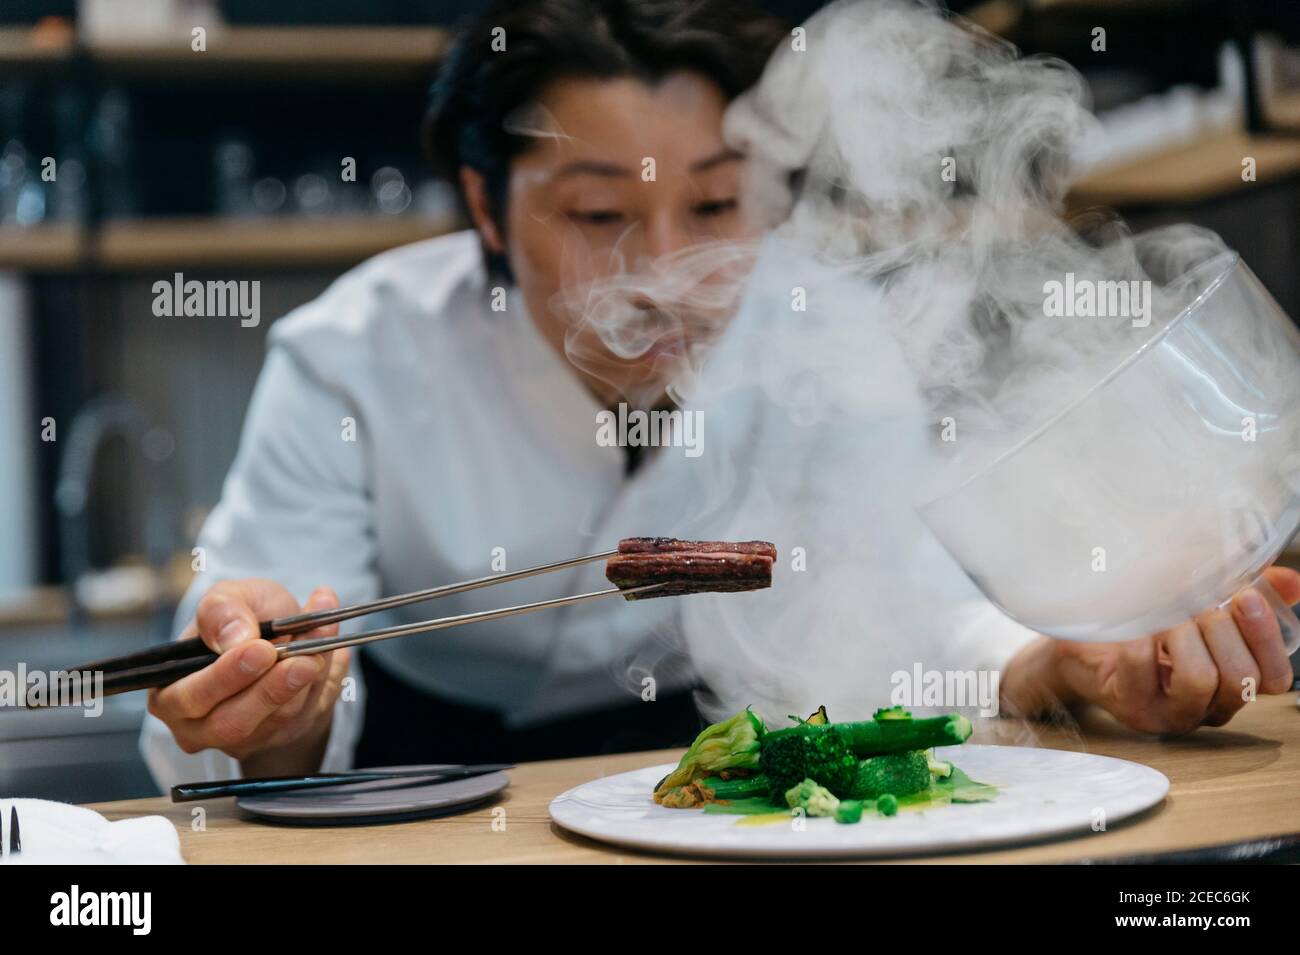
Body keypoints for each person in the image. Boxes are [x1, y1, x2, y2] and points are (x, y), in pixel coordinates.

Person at [141, 0, 1300, 789]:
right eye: (597, 215)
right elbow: (258, 630)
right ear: (488, 208)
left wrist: (1066, 661)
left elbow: (907, 603)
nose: (657, 273)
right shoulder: (350, 352)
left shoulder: (819, 323)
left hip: (700, 747)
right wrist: (269, 713)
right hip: (411, 749)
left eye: (711, 207)